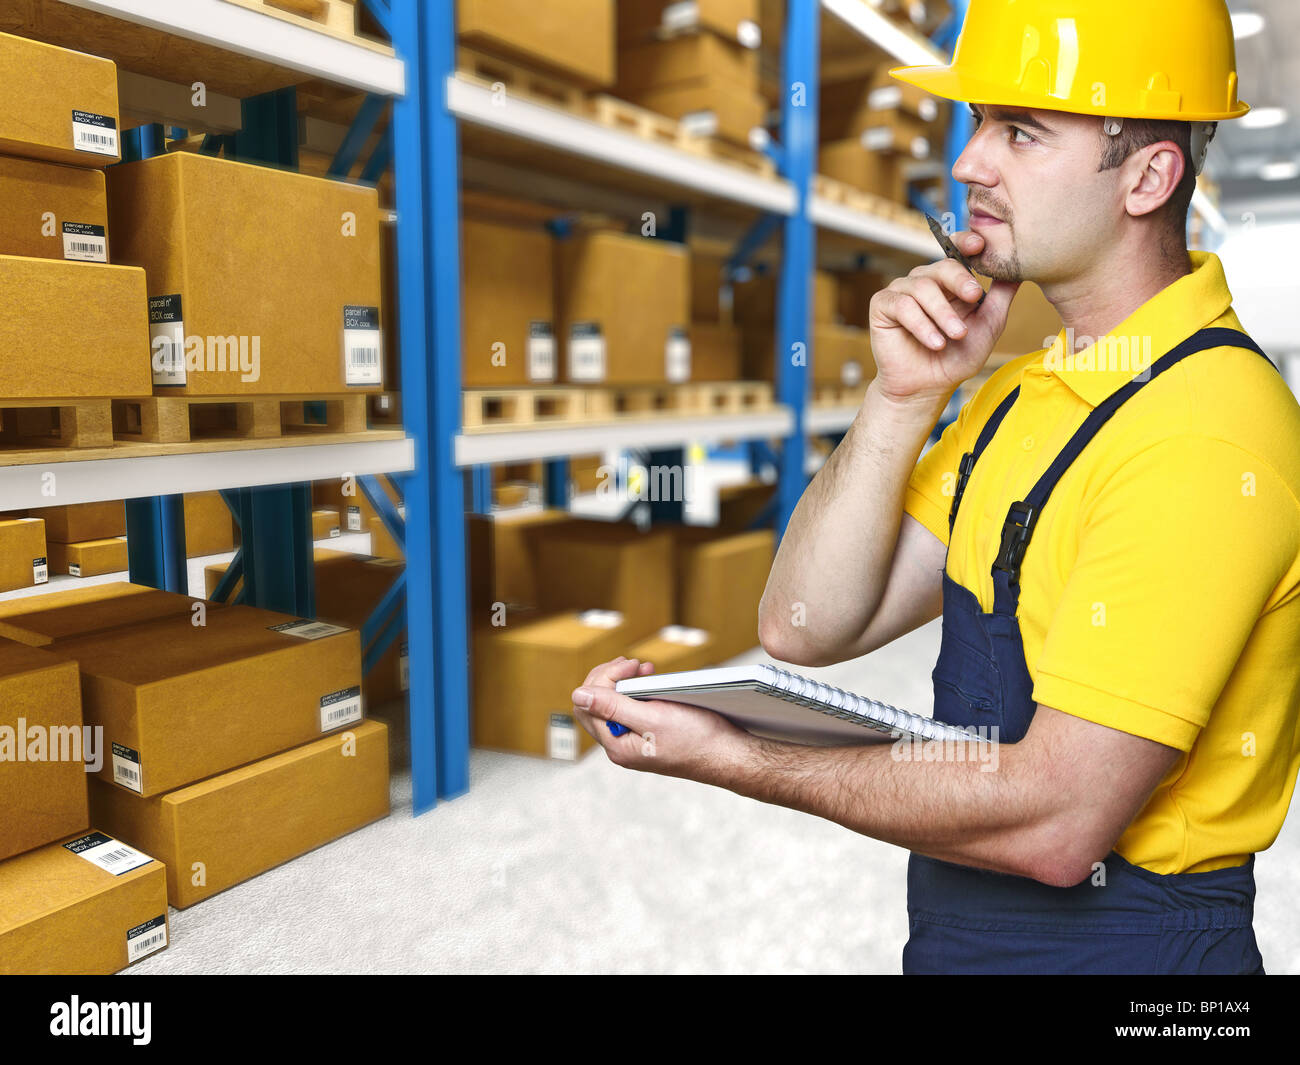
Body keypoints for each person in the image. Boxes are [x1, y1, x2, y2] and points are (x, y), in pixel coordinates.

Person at [570, 0, 1300, 973]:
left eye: (1020, 131)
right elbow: (806, 624)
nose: (967, 164)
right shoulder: (1019, 394)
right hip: (964, 919)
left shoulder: (1205, 432)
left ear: (1147, 177)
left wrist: (739, 759)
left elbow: (1057, 821)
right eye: (975, 123)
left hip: (1133, 959)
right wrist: (901, 396)